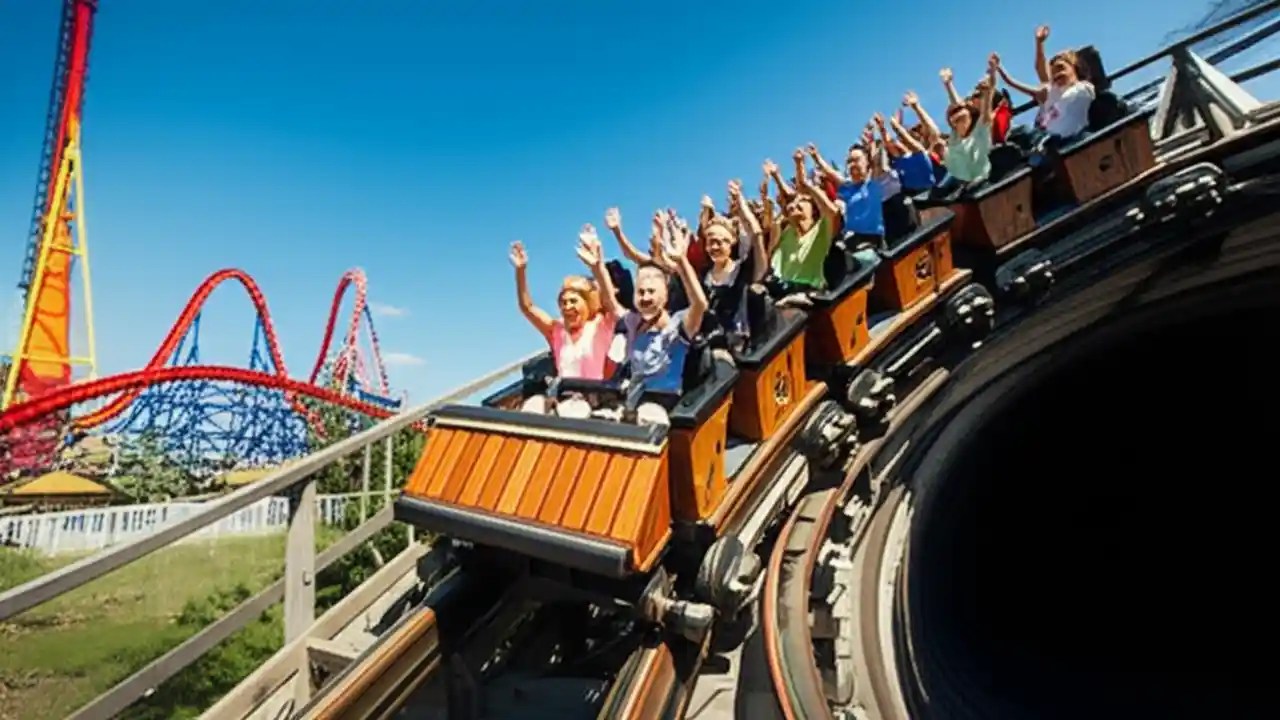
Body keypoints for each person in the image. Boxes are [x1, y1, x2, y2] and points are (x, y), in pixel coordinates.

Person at [586, 222, 708, 426]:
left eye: (651, 292)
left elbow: (700, 303)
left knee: (645, 417)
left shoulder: (679, 325)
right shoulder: (634, 323)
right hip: (634, 398)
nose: (645, 297)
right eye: (641, 292)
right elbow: (610, 302)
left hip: (663, 402)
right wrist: (597, 267)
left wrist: (681, 262)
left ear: (665, 296)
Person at [508, 233, 618, 417]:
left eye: (573, 301)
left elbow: (610, 301)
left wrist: (597, 267)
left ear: (587, 303)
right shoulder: (557, 330)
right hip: (560, 396)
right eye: (563, 302)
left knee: (574, 410)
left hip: (589, 400)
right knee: (532, 406)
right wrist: (520, 271)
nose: (567, 307)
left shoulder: (600, 325)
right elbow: (527, 308)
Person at [996, 25, 1096, 148]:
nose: (1057, 74)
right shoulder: (1052, 92)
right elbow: (1040, 69)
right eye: (1053, 73)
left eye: (1061, 68)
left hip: (1072, 139)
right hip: (1047, 143)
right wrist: (1039, 43)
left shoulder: (1083, 87)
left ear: (1074, 67)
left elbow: (1043, 73)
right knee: (1023, 132)